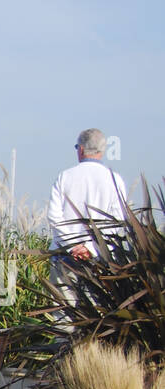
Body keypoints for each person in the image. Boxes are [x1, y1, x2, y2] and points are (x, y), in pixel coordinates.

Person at [47, 128, 128, 314]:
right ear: (102, 150)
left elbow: (54, 216)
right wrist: (90, 248)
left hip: (63, 256)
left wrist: (73, 246)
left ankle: (62, 343)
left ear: (81, 149)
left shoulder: (65, 176)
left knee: (63, 313)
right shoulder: (114, 179)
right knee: (96, 312)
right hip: (99, 258)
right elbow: (118, 221)